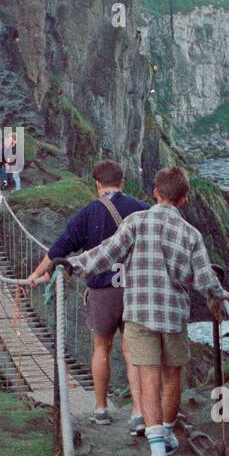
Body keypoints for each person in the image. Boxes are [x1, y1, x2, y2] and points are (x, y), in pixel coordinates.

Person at [33, 166, 229, 456]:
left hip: (139, 314)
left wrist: (69, 265)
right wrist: (220, 296)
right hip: (174, 316)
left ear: (155, 192)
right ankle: (165, 436)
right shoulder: (192, 234)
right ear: (184, 199)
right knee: (171, 379)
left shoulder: (136, 222)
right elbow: (206, 279)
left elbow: (103, 255)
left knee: (149, 378)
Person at [28, 160, 150, 428]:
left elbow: (58, 250)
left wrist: (37, 275)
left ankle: (101, 408)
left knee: (101, 348)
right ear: (122, 182)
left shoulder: (87, 214)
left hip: (102, 292)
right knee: (133, 352)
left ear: (97, 184)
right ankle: (139, 412)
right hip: (135, 290)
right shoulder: (142, 210)